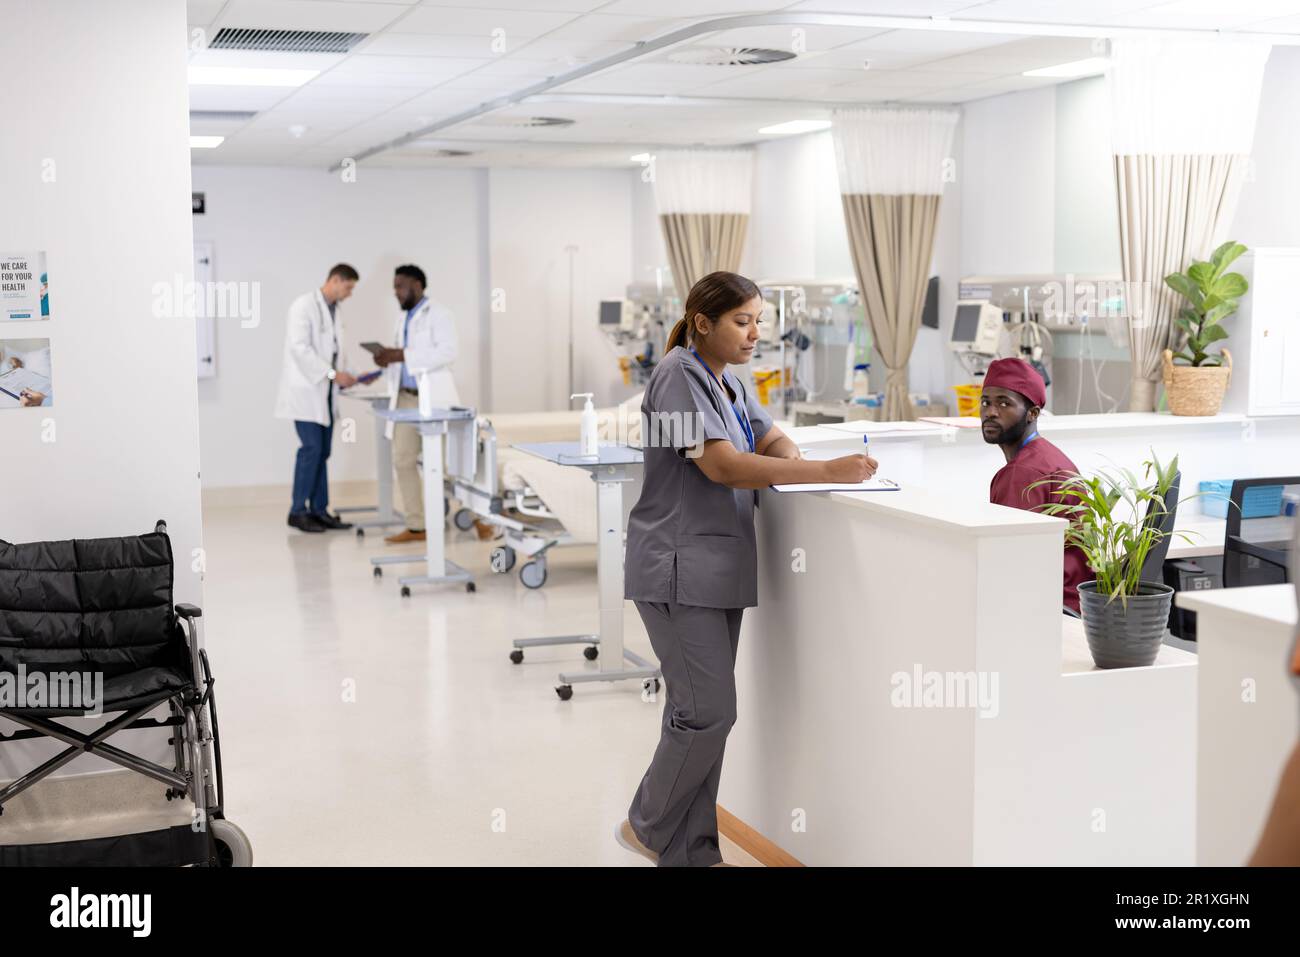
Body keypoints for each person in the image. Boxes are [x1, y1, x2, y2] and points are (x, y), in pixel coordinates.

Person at [615, 271, 876, 867]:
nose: (756, 333)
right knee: (708, 713)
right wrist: (826, 471)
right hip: (676, 566)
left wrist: (791, 458)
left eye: (759, 320)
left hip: (716, 566)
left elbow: (771, 439)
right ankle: (647, 826)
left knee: (698, 716)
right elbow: (724, 467)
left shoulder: (725, 382)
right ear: (703, 322)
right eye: (743, 321)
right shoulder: (677, 376)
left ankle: (696, 853)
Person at [980, 356, 1090, 613]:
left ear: (1032, 413)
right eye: (986, 402)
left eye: (1004, 403)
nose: (991, 412)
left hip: (1052, 606)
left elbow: (1010, 561)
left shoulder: (1023, 472)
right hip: (1076, 600)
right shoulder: (1047, 455)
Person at [373, 264, 462, 545]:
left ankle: (477, 518)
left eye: (400, 286)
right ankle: (417, 525)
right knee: (403, 460)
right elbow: (405, 358)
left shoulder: (440, 314)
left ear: (417, 285)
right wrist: (386, 360)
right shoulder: (404, 319)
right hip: (405, 399)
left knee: (449, 465)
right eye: (395, 287)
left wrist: (401, 354)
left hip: (434, 399)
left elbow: (448, 352)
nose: (396, 292)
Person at [274, 263, 359, 533]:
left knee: (322, 452)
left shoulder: (336, 311)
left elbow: (336, 350)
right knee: (311, 450)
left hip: (325, 394)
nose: (349, 294)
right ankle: (297, 511)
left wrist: (353, 374)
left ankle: (319, 510)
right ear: (335, 280)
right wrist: (334, 374)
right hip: (305, 393)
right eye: (348, 287)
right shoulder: (303, 306)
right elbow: (300, 349)